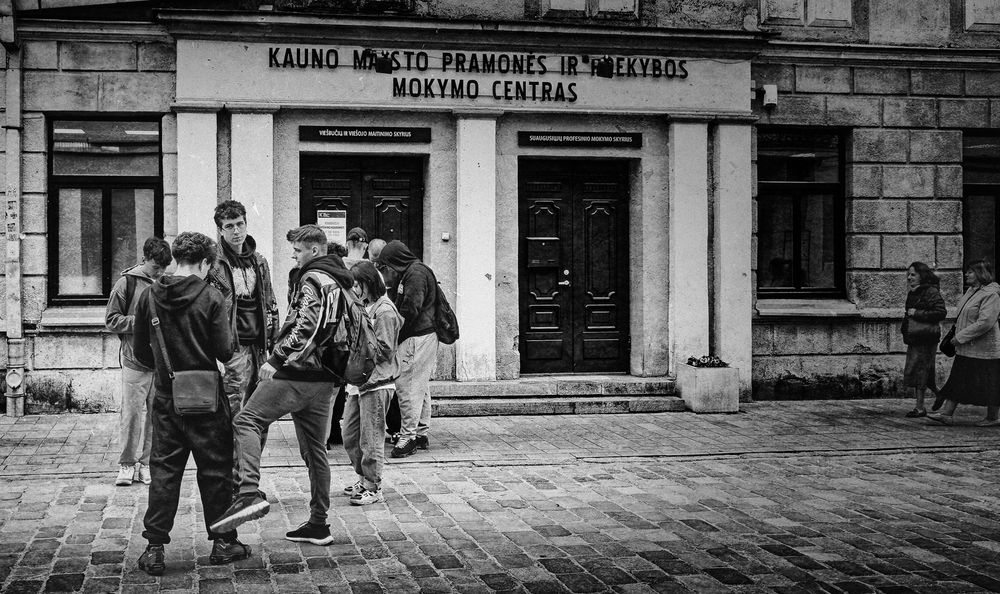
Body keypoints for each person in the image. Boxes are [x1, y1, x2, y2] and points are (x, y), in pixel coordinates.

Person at [212, 224, 355, 545]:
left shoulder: (313, 279)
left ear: (315, 250)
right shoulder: (340, 280)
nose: (294, 255)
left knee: (246, 420)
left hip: (297, 372)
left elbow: (307, 324)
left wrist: (276, 360)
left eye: (298, 250)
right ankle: (319, 523)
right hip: (326, 381)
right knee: (315, 451)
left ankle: (248, 491)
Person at [131, 232, 249, 575]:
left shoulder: (149, 296)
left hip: (167, 398)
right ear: (205, 263)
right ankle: (224, 542)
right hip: (207, 399)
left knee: (164, 472)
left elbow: (141, 352)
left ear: (175, 259)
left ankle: (154, 549)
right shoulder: (212, 297)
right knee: (216, 471)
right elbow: (225, 351)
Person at [207, 200, 279, 486]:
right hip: (232, 350)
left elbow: (270, 303)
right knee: (236, 414)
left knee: (262, 413)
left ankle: (248, 476)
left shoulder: (259, 261)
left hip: (259, 347)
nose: (236, 231)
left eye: (240, 224)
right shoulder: (214, 263)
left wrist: (274, 344)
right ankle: (237, 481)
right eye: (229, 227)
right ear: (220, 230)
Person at [106, 237, 172, 487]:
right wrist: (140, 322)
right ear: (145, 260)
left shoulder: (166, 282)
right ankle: (126, 465)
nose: (160, 273)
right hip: (134, 360)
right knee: (132, 415)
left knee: (157, 416)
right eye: (156, 268)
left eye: (164, 268)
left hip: (160, 362)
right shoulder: (127, 282)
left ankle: (146, 464)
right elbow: (111, 320)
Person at [342, 260, 402, 505]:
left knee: (371, 437)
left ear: (368, 283)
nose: (355, 290)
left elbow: (386, 349)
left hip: (376, 382)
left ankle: (373, 485)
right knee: (350, 434)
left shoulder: (384, 311)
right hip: (360, 381)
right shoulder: (366, 306)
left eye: (358, 285)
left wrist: (358, 351)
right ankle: (362, 476)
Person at [374, 240, 439, 458]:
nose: (386, 272)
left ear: (394, 263)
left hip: (417, 336)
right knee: (419, 385)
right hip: (420, 335)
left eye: (385, 267)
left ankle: (408, 437)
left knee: (407, 385)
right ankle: (420, 432)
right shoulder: (413, 271)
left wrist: (394, 333)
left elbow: (411, 308)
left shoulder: (415, 274)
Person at [928, 259, 1000, 426]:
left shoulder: (991, 295)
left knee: (990, 383)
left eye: (970, 271)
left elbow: (985, 323)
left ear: (981, 274)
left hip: (985, 350)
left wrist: (959, 338)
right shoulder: (972, 291)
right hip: (968, 347)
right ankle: (947, 414)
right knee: (958, 380)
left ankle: (993, 417)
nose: (966, 274)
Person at [900, 262, 946, 418]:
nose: (909, 277)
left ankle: (920, 407)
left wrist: (917, 313)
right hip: (915, 337)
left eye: (913, 274)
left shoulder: (931, 292)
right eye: (908, 274)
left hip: (926, 337)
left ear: (922, 275)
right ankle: (939, 393)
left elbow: (940, 312)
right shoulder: (913, 292)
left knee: (920, 370)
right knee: (924, 370)